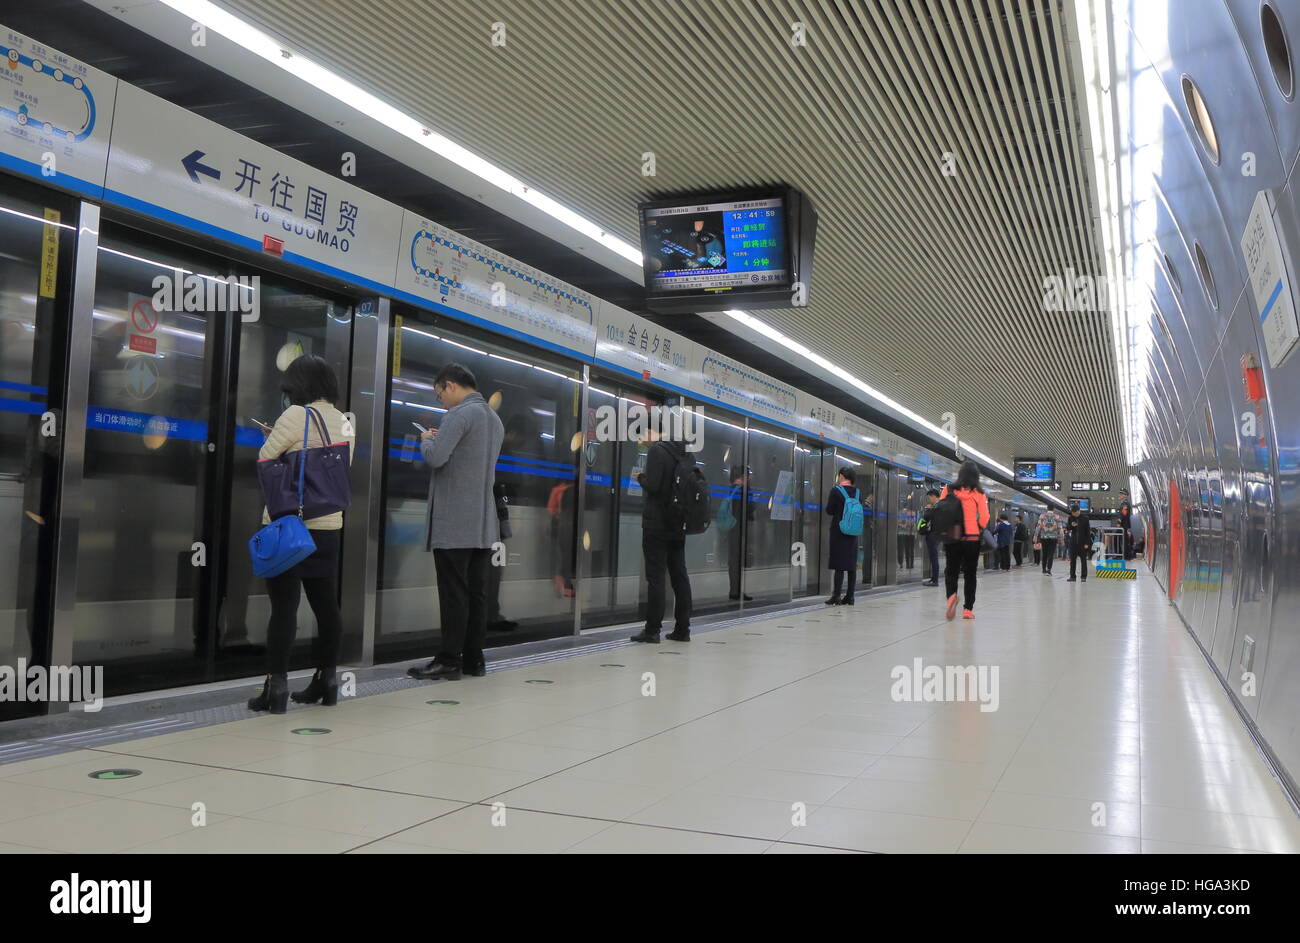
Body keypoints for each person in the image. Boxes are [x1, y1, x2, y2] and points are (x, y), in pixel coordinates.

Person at [248, 355, 355, 714]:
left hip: (289, 529)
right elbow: (334, 466)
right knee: (327, 607)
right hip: (327, 527)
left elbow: (266, 459)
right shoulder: (344, 421)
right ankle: (327, 680)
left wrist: (273, 437)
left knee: (284, 609)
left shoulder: (294, 416)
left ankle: (275, 687)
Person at [408, 364, 505, 681]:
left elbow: (436, 458)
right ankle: (473, 660)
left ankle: (449, 659)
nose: (442, 403)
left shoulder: (458, 415)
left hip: (454, 522)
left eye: (440, 396)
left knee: (453, 593)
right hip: (482, 523)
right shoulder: (494, 419)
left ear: (449, 385)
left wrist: (425, 439)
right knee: (476, 594)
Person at [631, 430, 694, 642]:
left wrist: (640, 478)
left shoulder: (657, 451)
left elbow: (654, 486)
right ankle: (682, 629)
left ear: (652, 431)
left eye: (642, 435)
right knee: (679, 575)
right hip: (678, 524)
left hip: (657, 525)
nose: (642, 440)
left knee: (656, 577)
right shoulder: (684, 453)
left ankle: (652, 630)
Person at [940, 460, 990, 621]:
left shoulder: (948, 490)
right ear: (976, 476)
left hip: (952, 537)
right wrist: (978, 526)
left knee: (951, 571)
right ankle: (968, 609)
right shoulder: (979, 494)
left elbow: (940, 510)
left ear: (960, 474)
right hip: (972, 539)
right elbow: (984, 518)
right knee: (970, 574)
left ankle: (951, 597)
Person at [824, 466, 861, 605]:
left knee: (839, 565)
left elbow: (829, 510)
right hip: (853, 532)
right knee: (851, 565)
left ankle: (836, 596)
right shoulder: (857, 492)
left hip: (839, 531)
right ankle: (850, 597)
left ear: (841, 476)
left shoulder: (836, 491)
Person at [726, 465, 753, 601]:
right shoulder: (742, 489)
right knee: (738, 559)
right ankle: (737, 591)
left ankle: (735, 590)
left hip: (732, 527)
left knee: (734, 560)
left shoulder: (732, 488)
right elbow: (749, 508)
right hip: (739, 527)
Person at [919, 489, 941, 586]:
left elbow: (927, 517)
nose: (929, 500)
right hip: (934, 535)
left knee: (934, 558)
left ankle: (935, 580)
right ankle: (933, 579)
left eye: (929, 498)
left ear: (934, 496)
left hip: (933, 535)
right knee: (933, 558)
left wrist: (928, 510)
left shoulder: (938, 506)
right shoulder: (938, 506)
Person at [1066, 502, 1092, 583]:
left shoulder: (1085, 518)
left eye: (1075, 513)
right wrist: (1071, 526)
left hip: (1082, 543)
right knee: (1072, 561)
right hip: (1073, 543)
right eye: (1073, 513)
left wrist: (1087, 543)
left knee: (1083, 561)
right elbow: (1068, 528)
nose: (1074, 514)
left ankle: (1083, 576)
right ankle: (1072, 576)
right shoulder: (1070, 518)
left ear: (1078, 511)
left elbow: (1087, 532)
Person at [1034, 508, 1062, 574]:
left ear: (1047, 508)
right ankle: (1049, 569)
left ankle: (1043, 569)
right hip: (1053, 538)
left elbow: (1038, 526)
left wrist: (1035, 536)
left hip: (1044, 537)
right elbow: (1060, 528)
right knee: (1051, 554)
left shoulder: (1042, 516)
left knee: (1045, 554)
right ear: (1053, 509)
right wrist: (1061, 538)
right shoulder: (1057, 516)